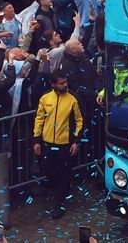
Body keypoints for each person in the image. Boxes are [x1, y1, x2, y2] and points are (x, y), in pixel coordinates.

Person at [32, 70, 83, 219]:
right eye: (61, 83)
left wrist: (76, 141)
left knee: (64, 174)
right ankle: (60, 193)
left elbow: (79, 120)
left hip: (65, 144)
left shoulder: (73, 98)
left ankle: (59, 203)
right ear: (53, 84)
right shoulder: (45, 98)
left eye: (65, 82)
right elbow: (39, 119)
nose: (65, 85)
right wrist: (36, 140)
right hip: (47, 143)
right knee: (47, 171)